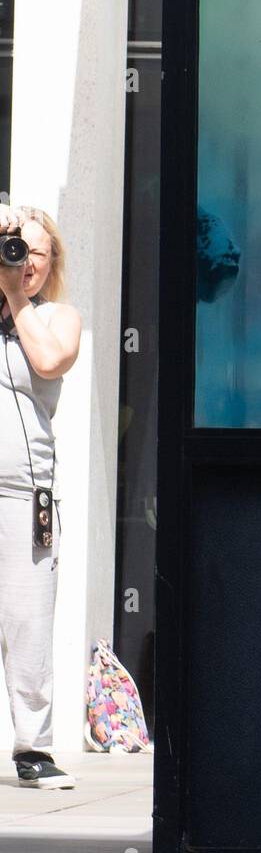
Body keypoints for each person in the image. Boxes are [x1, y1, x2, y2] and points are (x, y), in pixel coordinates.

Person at [0, 202, 81, 788]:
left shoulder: (57, 316)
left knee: (29, 623)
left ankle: (33, 748)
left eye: (35, 252)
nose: (23, 261)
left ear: (51, 263)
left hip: (25, 493)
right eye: (13, 247)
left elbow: (51, 362)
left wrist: (15, 299)